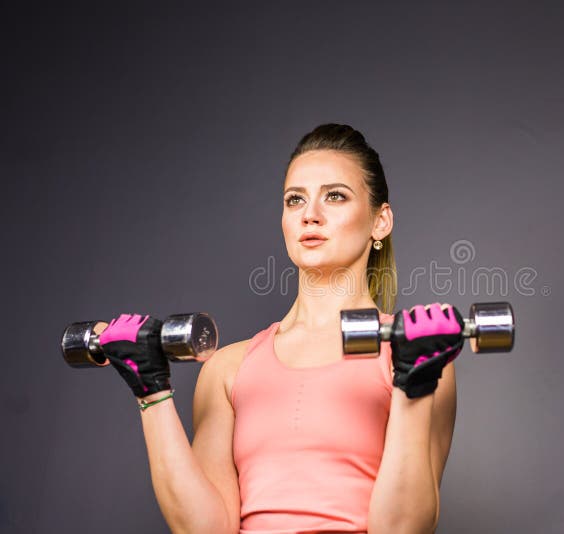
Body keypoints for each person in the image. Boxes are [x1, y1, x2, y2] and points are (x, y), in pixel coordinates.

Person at [97, 123, 466, 534]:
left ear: (380, 222)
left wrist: (414, 385)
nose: (311, 214)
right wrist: (152, 392)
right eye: (295, 200)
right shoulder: (227, 368)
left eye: (335, 196)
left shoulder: (416, 355)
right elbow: (204, 529)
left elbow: (404, 528)